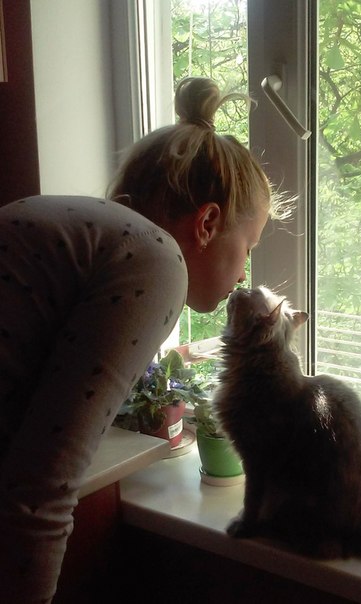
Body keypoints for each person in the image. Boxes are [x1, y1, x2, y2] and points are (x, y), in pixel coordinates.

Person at [0, 77, 278, 603]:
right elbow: (38, 493)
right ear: (207, 223)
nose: (244, 273)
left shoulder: (83, 225)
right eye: (248, 247)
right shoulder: (156, 259)